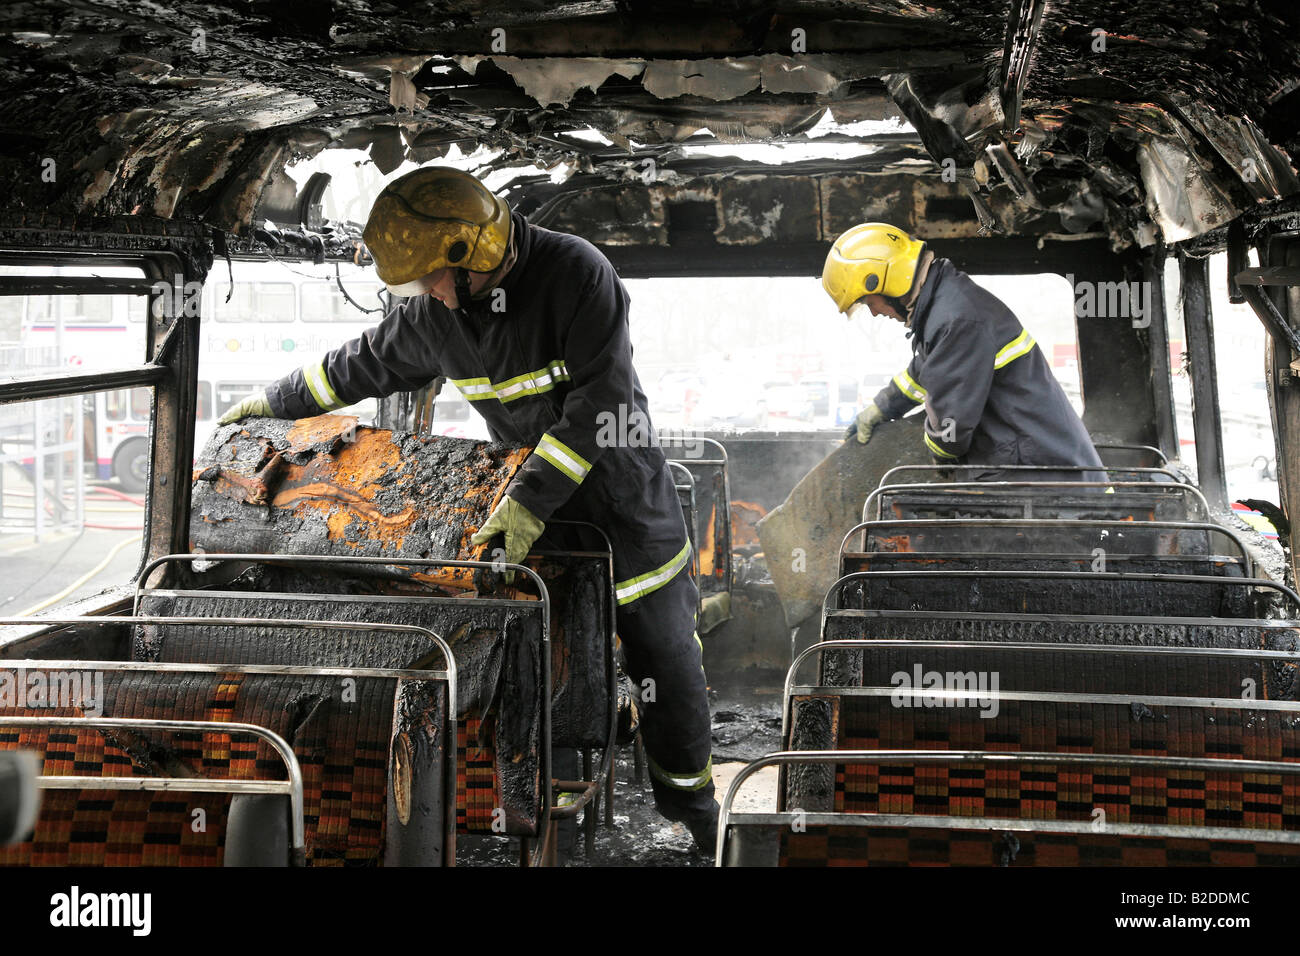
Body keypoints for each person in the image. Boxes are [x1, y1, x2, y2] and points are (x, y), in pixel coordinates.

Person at [220, 166, 719, 852]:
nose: (425, 293)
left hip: (625, 510)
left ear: (471, 253)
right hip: (528, 518)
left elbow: (599, 408)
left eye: (431, 275)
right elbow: (357, 365)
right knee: (546, 667)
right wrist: (270, 403)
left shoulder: (577, 272)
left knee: (664, 659)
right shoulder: (435, 314)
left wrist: (527, 502)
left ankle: (696, 813)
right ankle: (546, 800)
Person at [822, 222, 1105, 482]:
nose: (873, 313)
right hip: (1037, 469)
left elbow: (950, 431)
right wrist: (883, 407)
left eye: (868, 302)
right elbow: (927, 371)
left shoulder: (957, 319)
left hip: (1049, 482)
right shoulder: (945, 308)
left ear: (887, 281)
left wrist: (937, 460)